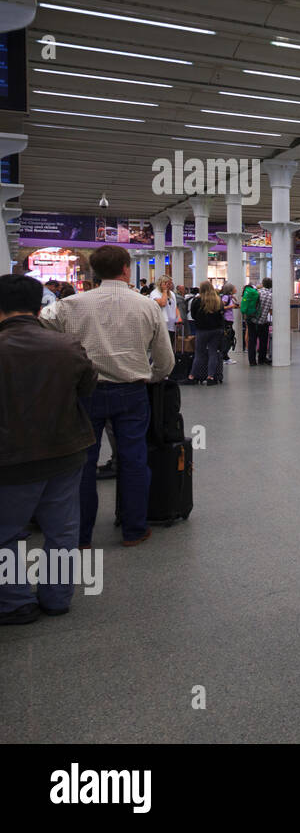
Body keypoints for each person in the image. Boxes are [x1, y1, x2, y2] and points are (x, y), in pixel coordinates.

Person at [40, 245, 174, 548]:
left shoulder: (70, 305)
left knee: (82, 462)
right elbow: (165, 360)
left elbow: (41, 323)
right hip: (132, 391)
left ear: (93, 272)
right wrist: (152, 377)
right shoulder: (147, 305)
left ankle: (82, 535)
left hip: (86, 392)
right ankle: (134, 529)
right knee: (134, 459)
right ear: (126, 269)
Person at [0, 275, 97, 624]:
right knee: (62, 529)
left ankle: (14, 602)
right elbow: (87, 388)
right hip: (66, 449)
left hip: (11, 459)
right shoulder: (66, 345)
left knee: (4, 533)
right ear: (39, 304)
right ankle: (57, 598)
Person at [188, 281, 226, 385]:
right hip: (216, 330)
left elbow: (193, 315)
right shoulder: (218, 301)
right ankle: (211, 377)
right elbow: (222, 315)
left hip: (202, 330)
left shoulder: (196, 301)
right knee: (213, 353)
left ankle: (192, 376)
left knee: (199, 354)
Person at [247, 277, 273, 366]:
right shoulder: (271, 296)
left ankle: (252, 361)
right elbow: (271, 311)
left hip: (252, 320)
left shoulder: (257, 292)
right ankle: (262, 359)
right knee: (263, 341)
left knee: (252, 341)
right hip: (263, 321)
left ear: (263, 283)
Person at [150, 276, 178, 346]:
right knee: (162, 347)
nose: (169, 285)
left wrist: (178, 317)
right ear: (161, 283)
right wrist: (164, 291)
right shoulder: (155, 293)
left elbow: (175, 307)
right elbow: (163, 303)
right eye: (167, 284)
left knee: (170, 347)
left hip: (172, 326)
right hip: (162, 325)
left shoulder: (172, 294)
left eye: (170, 283)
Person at [220, 283, 237, 362]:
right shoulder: (226, 297)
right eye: (234, 287)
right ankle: (224, 357)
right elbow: (221, 307)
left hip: (229, 320)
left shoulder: (230, 297)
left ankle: (225, 356)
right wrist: (231, 306)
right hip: (226, 320)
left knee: (230, 337)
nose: (235, 289)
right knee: (227, 338)